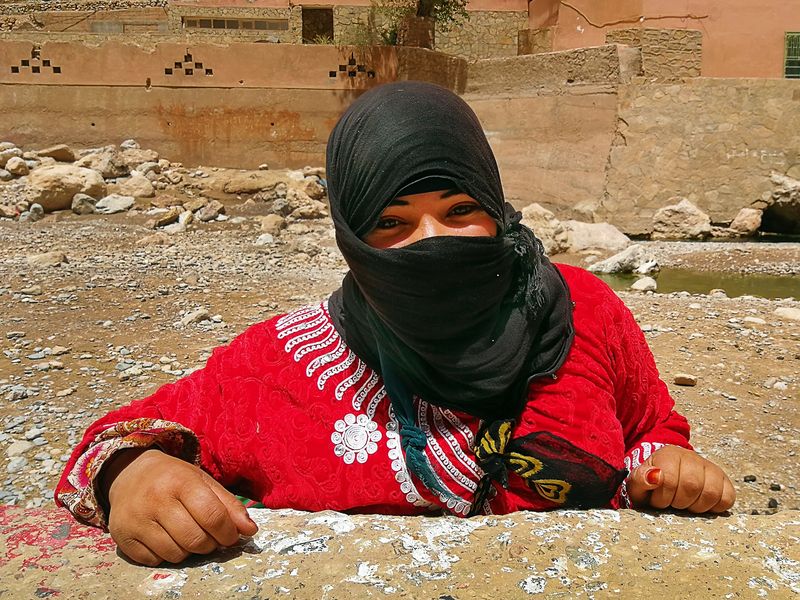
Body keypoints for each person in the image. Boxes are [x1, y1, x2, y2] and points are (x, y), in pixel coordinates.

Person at [55, 82, 735, 567]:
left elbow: (651, 430)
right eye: (392, 222)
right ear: (351, 237)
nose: (431, 241)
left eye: (459, 208)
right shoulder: (281, 363)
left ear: (497, 209)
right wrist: (133, 476)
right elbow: (111, 442)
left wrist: (667, 470)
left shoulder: (584, 310)